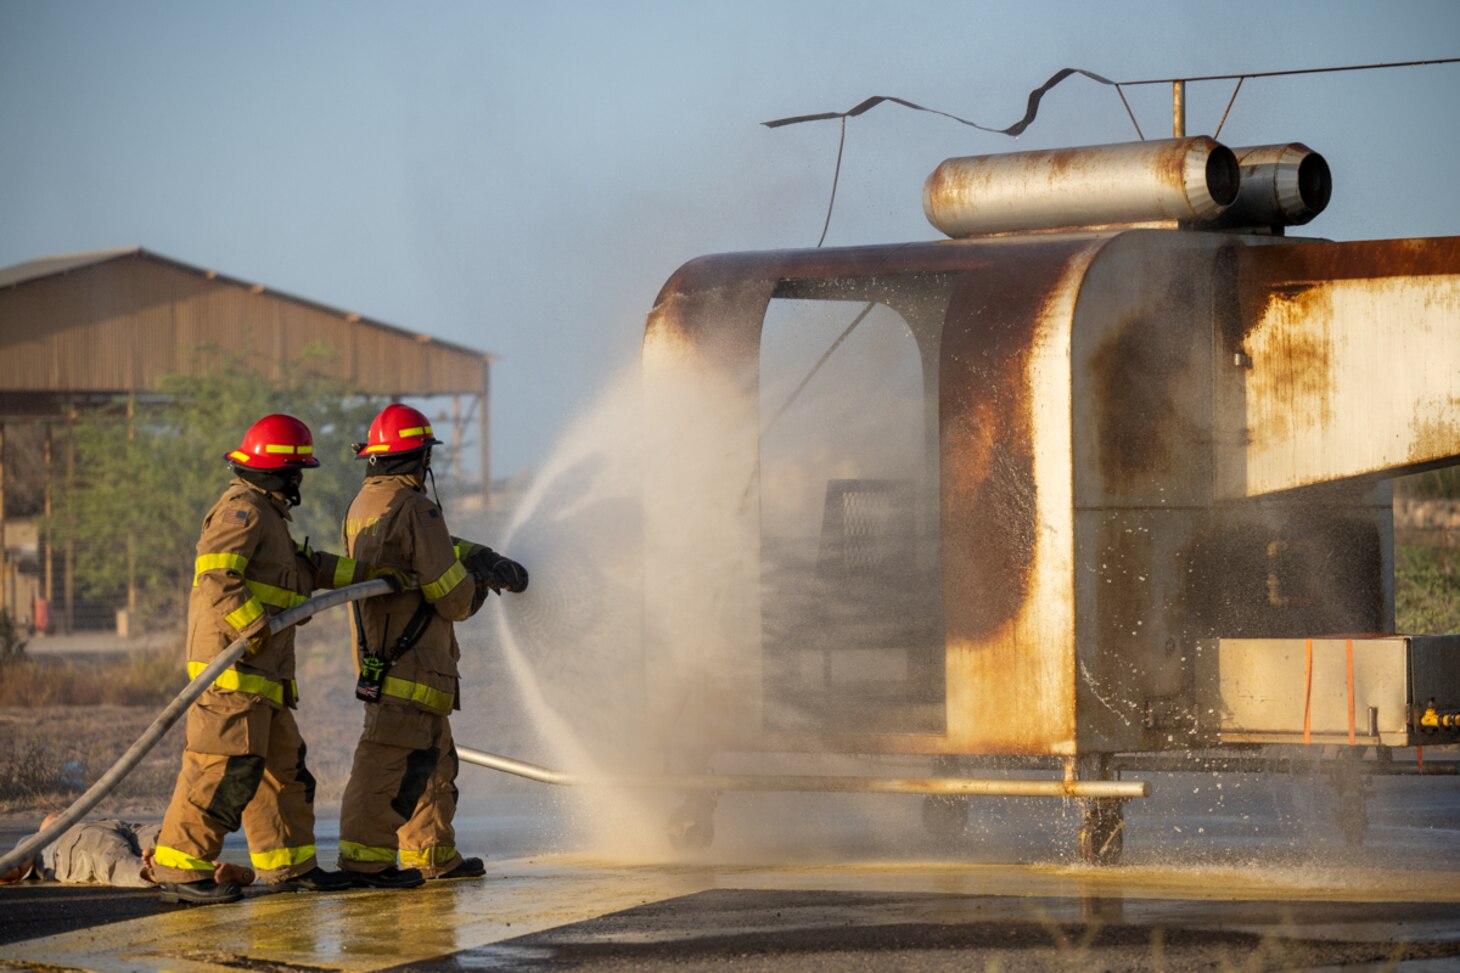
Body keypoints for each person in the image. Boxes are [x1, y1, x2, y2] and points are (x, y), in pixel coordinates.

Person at [152, 414, 402, 905]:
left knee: (284, 775)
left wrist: (376, 574)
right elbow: (217, 574)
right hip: (234, 673)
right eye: (297, 472)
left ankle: (290, 867)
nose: (299, 482)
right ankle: (180, 869)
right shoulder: (242, 511)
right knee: (222, 771)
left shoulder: (267, 517)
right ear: (282, 472)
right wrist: (253, 626)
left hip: (263, 677)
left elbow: (309, 568)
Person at [336, 403, 527, 888]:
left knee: (431, 759)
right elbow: (453, 596)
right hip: (414, 660)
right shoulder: (416, 507)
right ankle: (366, 863)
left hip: (388, 659)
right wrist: (480, 582)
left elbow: (422, 546)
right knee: (388, 763)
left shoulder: (365, 505)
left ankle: (434, 854)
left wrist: (479, 554)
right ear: (420, 457)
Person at [0, 814, 255, 889]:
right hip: (81, 840)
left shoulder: (40, 834)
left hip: (114, 828)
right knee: (116, 860)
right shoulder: (30, 843)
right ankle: (158, 872)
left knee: (169, 839)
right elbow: (13, 869)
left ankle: (211, 869)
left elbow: (52, 819)